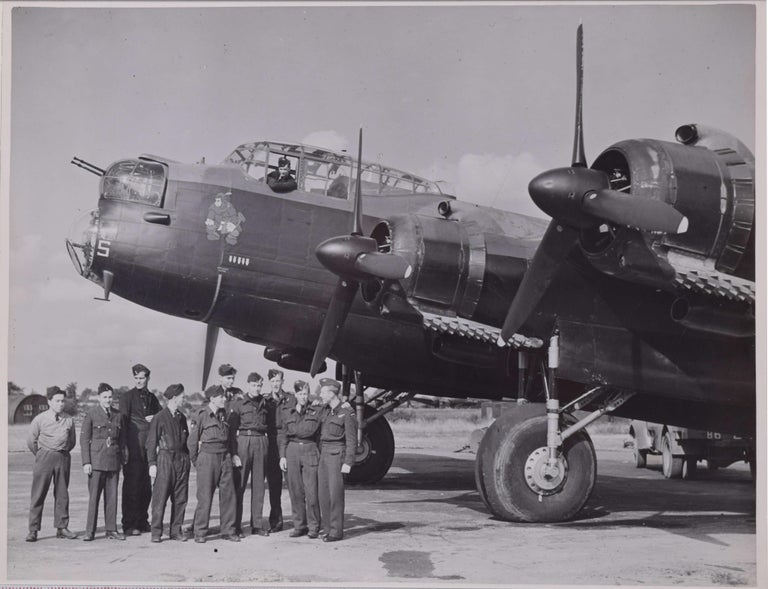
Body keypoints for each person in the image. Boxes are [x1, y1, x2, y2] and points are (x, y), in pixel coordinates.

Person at [188, 386, 241, 543]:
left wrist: (231, 455)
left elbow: (230, 438)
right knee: (205, 496)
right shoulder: (202, 415)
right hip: (207, 456)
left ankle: (228, 530)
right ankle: (200, 532)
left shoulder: (224, 414)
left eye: (224, 397)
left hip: (224, 456)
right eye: (220, 397)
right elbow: (192, 441)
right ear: (212, 398)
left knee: (228, 494)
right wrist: (196, 461)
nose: (223, 399)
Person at [25, 386, 78, 542]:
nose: (61, 404)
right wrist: (41, 454)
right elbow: (31, 441)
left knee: (62, 494)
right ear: (49, 402)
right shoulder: (40, 419)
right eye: (57, 401)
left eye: (63, 401)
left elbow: (72, 441)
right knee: (38, 494)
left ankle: (61, 527)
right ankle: (33, 530)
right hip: (44, 457)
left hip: (63, 457)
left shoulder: (69, 419)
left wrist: (62, 452)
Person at [81, 383, 126, 541]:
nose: (108, 400)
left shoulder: (118, 415)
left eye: (110, 397)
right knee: (94, 498)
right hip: (97, 462)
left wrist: (121, 459)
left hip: (113, 461)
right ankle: (90, 531)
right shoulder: (91, 415)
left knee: (112, 497)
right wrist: (86, 462)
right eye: (105, 397)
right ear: (99, 398)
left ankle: (111, 530)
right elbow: (84, 440)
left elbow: (122, 439)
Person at [119, 363, 161, 536]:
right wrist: (124, 449)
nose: (139, 381)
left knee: (146, 486)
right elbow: (122, 423)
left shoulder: (152, 398)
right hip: (133, 446)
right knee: (132, 486)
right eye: (136, 378)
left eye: (142, 378)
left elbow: (161, 418)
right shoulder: (126, 397)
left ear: (148, 378)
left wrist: (155, 418)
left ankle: (143, 520)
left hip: (148, 448)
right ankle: (129, 524)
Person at [146, 383, 190, 543]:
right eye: (182, 397)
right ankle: (156, 532)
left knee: (180, 498)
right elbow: (151, 442)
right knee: (160, 497)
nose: (184, 399)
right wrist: (152, 463)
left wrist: (187, 461)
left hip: (181, 460)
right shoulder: (159, 417)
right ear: (174, 398)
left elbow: (186, 442)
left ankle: (175, 531)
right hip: (164, 459)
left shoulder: (182, 417)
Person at [229, 372, 270, 537]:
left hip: (261, 441)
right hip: (244, 441)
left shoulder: (266, 403)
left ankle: (257, 525)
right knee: (239, 485)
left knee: (259, 485)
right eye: (254, 385)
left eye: (259, 385)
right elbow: (232, 431)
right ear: (248, 385)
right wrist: (233, 453)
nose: (257, 388)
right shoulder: (239, 403)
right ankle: (236, 525)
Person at [279, 380, 322, 539]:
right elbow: (283, 435)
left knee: (311, 492)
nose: (304, 397)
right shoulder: (287, 412)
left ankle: (314, 526)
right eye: (301, 394)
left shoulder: (316, 409)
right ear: (295, 394)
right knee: (295, 491)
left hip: (310, 449)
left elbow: (321, 434)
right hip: (292, 450)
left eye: (306, 393)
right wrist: (282, 456)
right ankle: (299, 525)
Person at [317, 378, 357, 543]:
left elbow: (352, 440)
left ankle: (336, 531)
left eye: (322, 392)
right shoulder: (325, 411)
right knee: (323, 495)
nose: (320, 394)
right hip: (324, 456)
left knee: (335, 495)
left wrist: (348, 462)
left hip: (336, 456)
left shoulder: (347, 413)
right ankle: (327, 528)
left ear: (331, 393)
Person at [265, 368, 294, 532]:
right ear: (270, 383)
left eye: (278, 381)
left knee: (294, 483)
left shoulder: (291, 399)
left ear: (283, 381)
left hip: (288, 441)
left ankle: (300, 521)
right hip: (271, 443)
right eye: (273, 381)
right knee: (274, 485)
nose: (276, 384)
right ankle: (276, 522)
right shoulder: (265, 400)